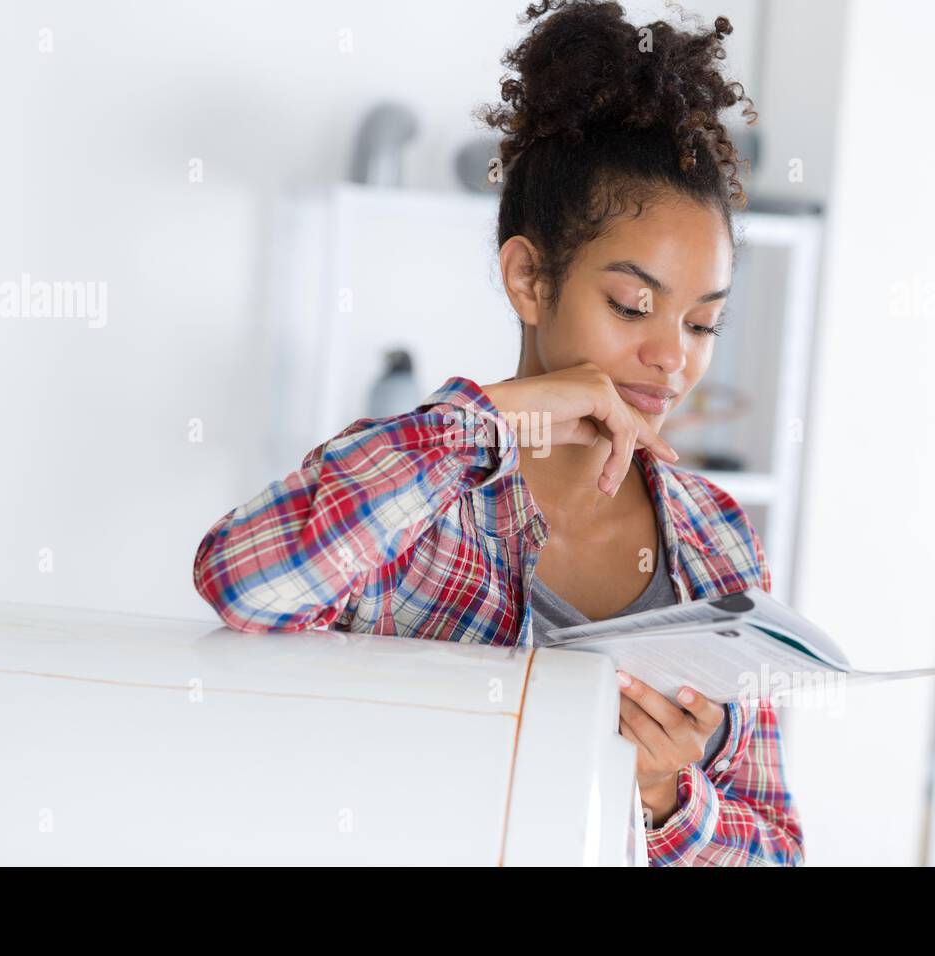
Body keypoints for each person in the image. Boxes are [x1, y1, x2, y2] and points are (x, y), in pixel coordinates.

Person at [193, 0, 803, 867]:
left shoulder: (716, 539)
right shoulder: (415, 493)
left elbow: (779, 853)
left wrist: (668, 799)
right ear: (528, 276)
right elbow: (242, 582)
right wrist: (493, 412)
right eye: (633, 305)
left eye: (704, 325)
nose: (671, 356)